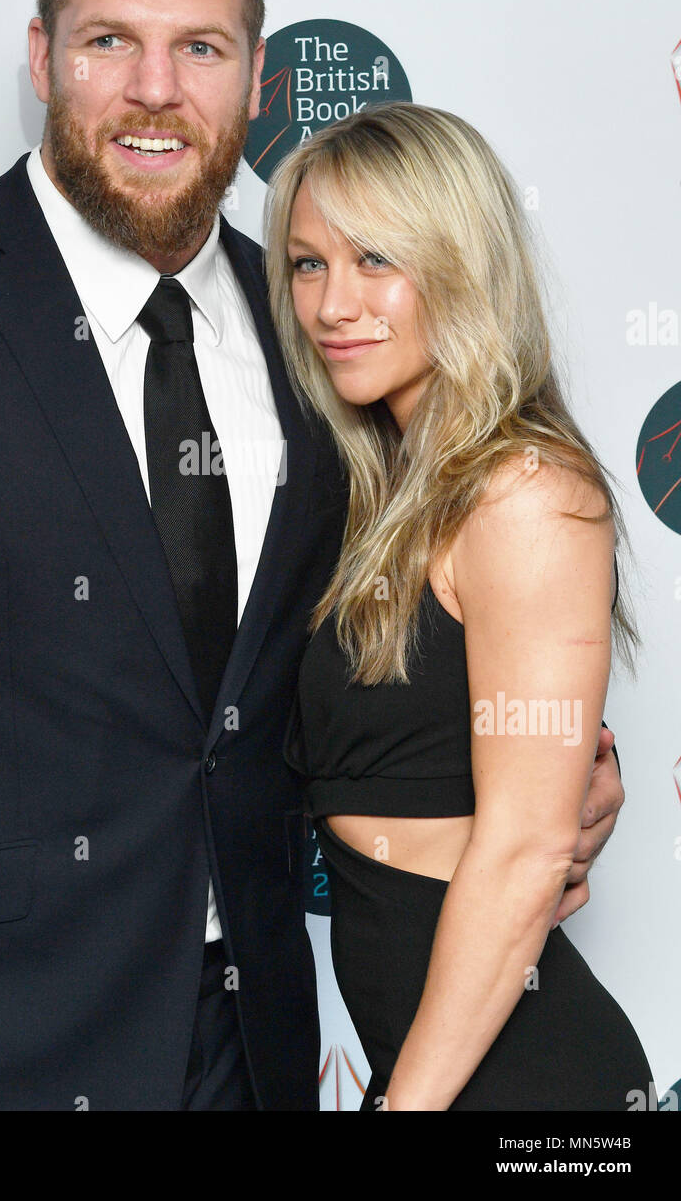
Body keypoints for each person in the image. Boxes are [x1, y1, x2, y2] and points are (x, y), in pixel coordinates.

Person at [0, 0, 624, 1112]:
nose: (154, 88)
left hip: (257, 1048)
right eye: (109, 39)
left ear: (253, 78)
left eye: (201, 48)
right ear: (41, 58)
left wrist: (560, 784)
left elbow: (416, 638)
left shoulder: (318, 341)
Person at [268, 101, 653, 1110]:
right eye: (306, 264)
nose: (331, 304)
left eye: (374, 259)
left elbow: (526, 849)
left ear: (460, 265)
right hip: (433, 1075)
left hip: (524, 1088)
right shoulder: (380, 488)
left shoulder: (525, 490)